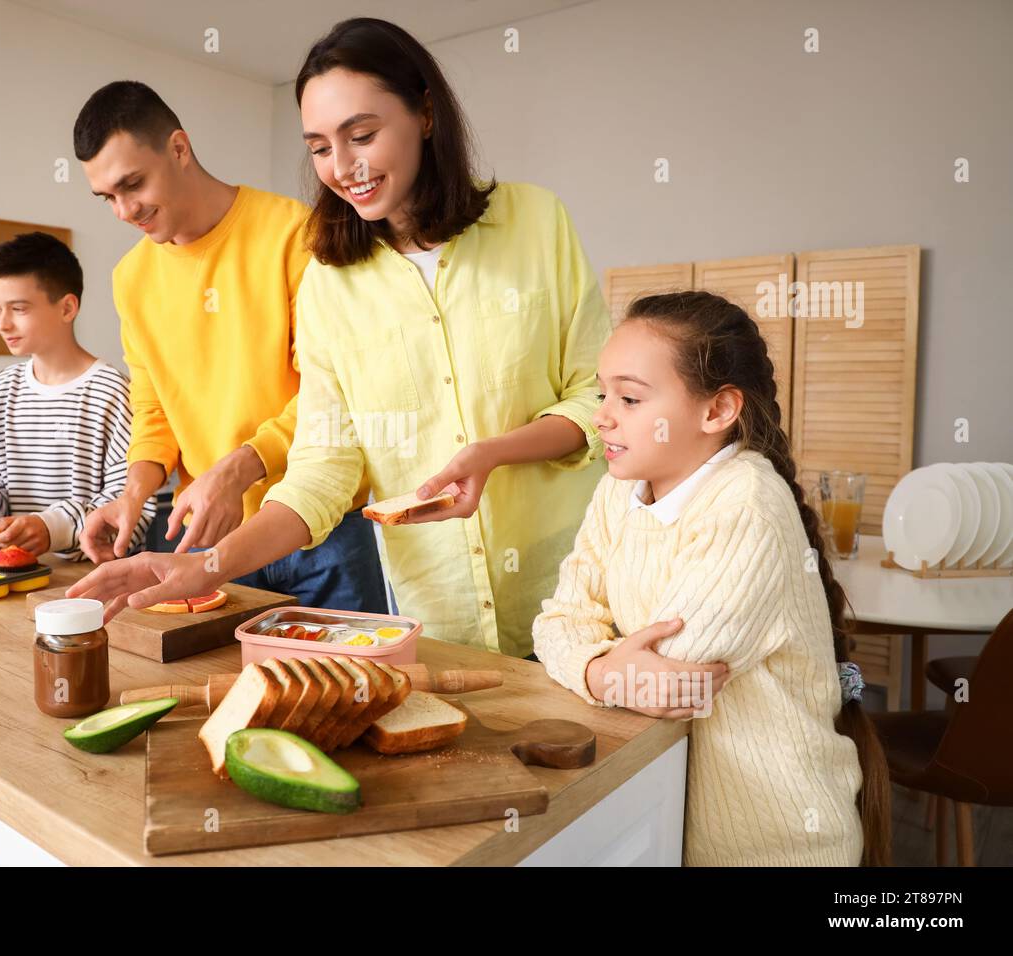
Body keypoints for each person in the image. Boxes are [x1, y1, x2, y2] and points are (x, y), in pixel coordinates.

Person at [69, 19, 611, 656]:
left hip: (575, 599)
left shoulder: (536, 221)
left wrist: (493, 451)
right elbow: (323, 471)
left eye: (362, 135)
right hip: (434, 616)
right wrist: (208, 563)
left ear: (426, 113)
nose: (343, 167)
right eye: (321, 147)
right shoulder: (332, 278)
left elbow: (598, 398)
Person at [533, 290, 890, 866]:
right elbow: (557, 618)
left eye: (629, 397)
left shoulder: (747, 503)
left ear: (718, 411)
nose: (601, 416)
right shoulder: (617, 490)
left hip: (774, 841)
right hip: (676, 823)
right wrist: (603, 670)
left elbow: (672, 680)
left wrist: (594, 665)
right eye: (604, 394)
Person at [68, 80, 385, 612]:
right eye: (108, 198)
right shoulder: (131, 278)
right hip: (211, 539)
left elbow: (334, 393)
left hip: (324, 531)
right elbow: (153, 409)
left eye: (133, 184)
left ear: (178, 148)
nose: (124, 211)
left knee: (350, 691)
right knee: (225, 691)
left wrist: (238, 469)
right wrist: (132, 496)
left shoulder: (297, 235)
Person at [0, 232, 154, 559]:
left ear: (67, 308)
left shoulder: (113, 392)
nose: (3, 324)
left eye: (19, 309)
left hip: (96, 584)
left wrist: (51, 528)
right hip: (17, 579)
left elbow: (131, 510)